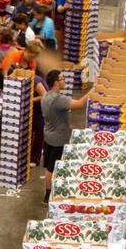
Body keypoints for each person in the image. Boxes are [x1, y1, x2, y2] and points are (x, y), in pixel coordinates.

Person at [36, 69, 93, 201]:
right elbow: (79, 104)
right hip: (58, 139)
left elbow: (55, 115)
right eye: (62, 79)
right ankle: (48, 196)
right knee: (53, 168)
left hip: (49, 134)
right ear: (56, 82)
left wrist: (68, 126)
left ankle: (48, 192)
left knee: (49, 167)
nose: (64, 81)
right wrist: (93, 90)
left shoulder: (45, 96)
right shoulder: (59, 99)